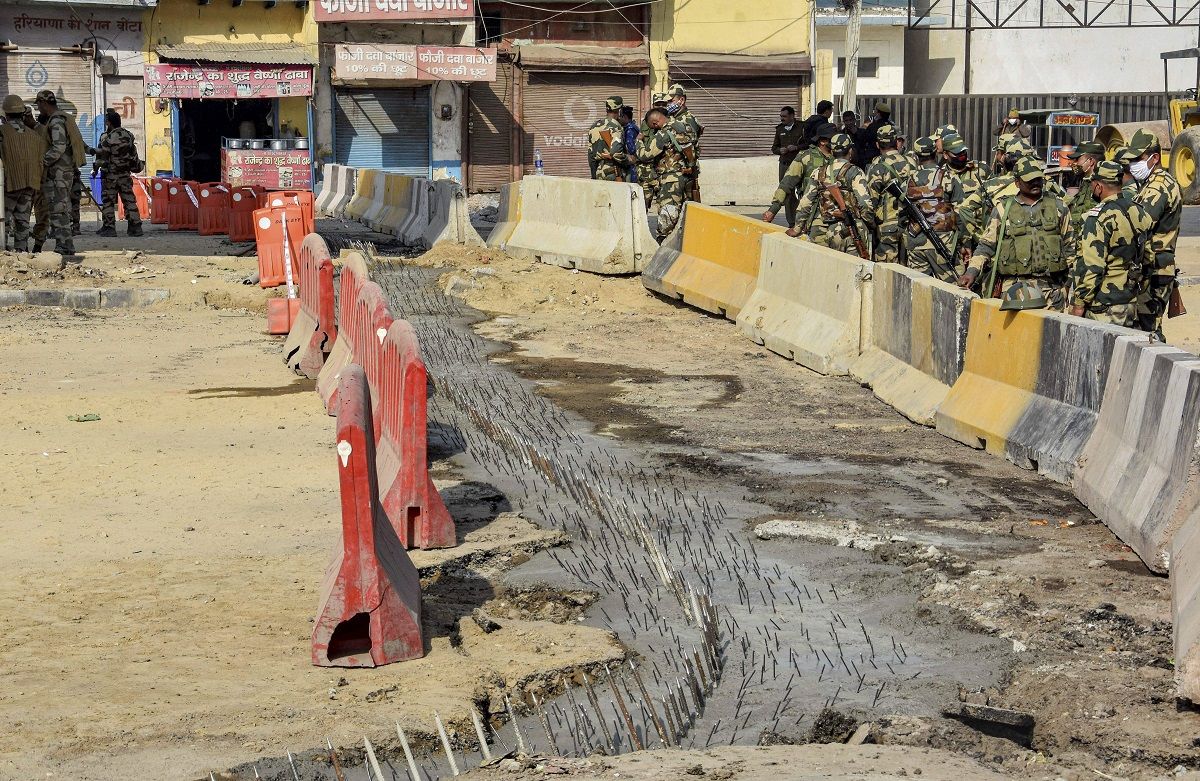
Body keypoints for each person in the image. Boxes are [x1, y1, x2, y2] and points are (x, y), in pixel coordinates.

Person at [958, 157, 1076, 311]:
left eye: (1038, 179)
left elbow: (1071, 249)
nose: (1035, 183)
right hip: (1014, 292)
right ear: (1017, 183)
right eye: (1029, 180)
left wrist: (1068, 287)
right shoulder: (1002, 209)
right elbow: (985, 247)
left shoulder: (1059, 207)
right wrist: (971, 272)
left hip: (1051, 292)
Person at [1068, 161, 1155, 327]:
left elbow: (1092, 267)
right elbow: (1149, 258)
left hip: (1103, 306)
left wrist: (1079, 303)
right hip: (1131, 303)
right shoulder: (1139, 211)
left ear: (1098, 186)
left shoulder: (1097, 218)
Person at [1126, 128, 1182, 338]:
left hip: (1155, 270)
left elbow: (1139, 224)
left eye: (1138, 159)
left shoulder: (1158, 186)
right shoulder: (1151, 183)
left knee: (1148, 330)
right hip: (1155, 267)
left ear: (1155, 158)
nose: (1133, 164)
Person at [790, 132, 874, 257]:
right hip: (852, 231)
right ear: (850, 151)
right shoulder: (855, 172)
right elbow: (865, 204)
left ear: (832, 151)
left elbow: (805, 203)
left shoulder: (819, 172)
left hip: (828, 231)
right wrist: (870, 223)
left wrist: (797, 228)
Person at [900, 135, 964, 282]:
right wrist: (963, 242)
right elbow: (961, 213)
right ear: (936, 152)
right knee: (954, 288)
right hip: (944, 242)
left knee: (918, 288)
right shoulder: (948, 177)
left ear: (916, 156)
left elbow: (901, 215)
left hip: (916, 244)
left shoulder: (908, 181)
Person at [637, 106, 696, 241]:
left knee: (668, 215)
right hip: (687, 176)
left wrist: (639, 141)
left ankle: (663, 243)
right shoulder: (686, 126)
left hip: (671, 179)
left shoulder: (664, 133)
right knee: (684, 213)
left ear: (655, 123)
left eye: (653, 127)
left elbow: (645, 155)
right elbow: (695, 149)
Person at [762, 122, 833, 226]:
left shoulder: (841, 157)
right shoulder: (806, 157)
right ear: (823, 141)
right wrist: (773, 209)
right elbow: (787, 183)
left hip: (836, 213)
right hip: (812, 213)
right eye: (834, 138)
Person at [0, 95, 46, 252]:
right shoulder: (35, 135)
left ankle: (3, 252)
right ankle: (21, 252)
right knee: (23, 220)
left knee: (3, 220)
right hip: (30, 183)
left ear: (6, 114)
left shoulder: (2, 132)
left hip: (9, 184)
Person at [865, 124, 915, 264]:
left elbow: (871, 200)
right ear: (896, 141)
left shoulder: (877, 166)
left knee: (887, 270)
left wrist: (871, 224)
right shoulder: (911, 162)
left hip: (886, 226)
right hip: (911, 223)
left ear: (877, 144)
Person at [35, 89, 77, 256]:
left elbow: (58, 147)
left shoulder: (56, 121)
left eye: (38, 104)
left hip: (58, 172)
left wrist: (42, 162)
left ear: (44, 103)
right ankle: (66, 245)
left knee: (58, 210)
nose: (38, 108)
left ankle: (63, 246)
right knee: (61, 210)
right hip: (63, 171)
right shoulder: (63, 117)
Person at [93, 108, 143, 237]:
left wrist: (96, 167)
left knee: (108, 201)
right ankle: (135, 227)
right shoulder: (128, 135)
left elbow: (103, 157)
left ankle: (109, 227)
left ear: (109, 123)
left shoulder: (108, 138)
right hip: (125, 174)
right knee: (129, 200)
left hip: (110, 175)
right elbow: (134, 155)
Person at [772, 106, 807, 229]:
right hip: (785, 165)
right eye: (781, 116)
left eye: (784, 116)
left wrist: (797, 147)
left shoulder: (802, 127)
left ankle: (803, 220)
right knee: (787, 194)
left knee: (803, 192)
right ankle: (791, 222)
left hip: (800, 164)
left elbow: (808, 144)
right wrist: (779, 150)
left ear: (792, 116)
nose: (782, 119)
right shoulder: (779, 129)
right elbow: (774, 148)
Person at [667, 84, 703, 201]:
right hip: (676, 171)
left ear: (681, 100)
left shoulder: (687, 119)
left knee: (688, 204)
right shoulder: (675, 118)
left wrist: (690, 166)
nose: (668, 104)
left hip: (685, 172)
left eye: (671, 101)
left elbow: (690, 146)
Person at [1065, 140, 1105, 229]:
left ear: (1091, 161)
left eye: (1077, 159)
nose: (1074, 163)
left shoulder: (1101, 184)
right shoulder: (1085, 181)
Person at [587, 96, 628, 182]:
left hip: (599, 171)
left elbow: (591, 155)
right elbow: (616, 152)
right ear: (620, 110)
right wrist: (628, 159)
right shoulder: (615, 126)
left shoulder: (594, 126)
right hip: (614, 172)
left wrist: (593, 176)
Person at [856, 102, 891, 169]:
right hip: (888, 159)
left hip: (873, 160)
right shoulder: (891, 126)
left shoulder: (873, 127)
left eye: (875, 110)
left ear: (878, 113)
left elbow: (863, 141)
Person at [619, 105, 638, 183]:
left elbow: (631, 149)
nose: (619, 119)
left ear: (625, 117)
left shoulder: (630, 129)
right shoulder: (629, 128)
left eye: (620, 117)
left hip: (631, 165)